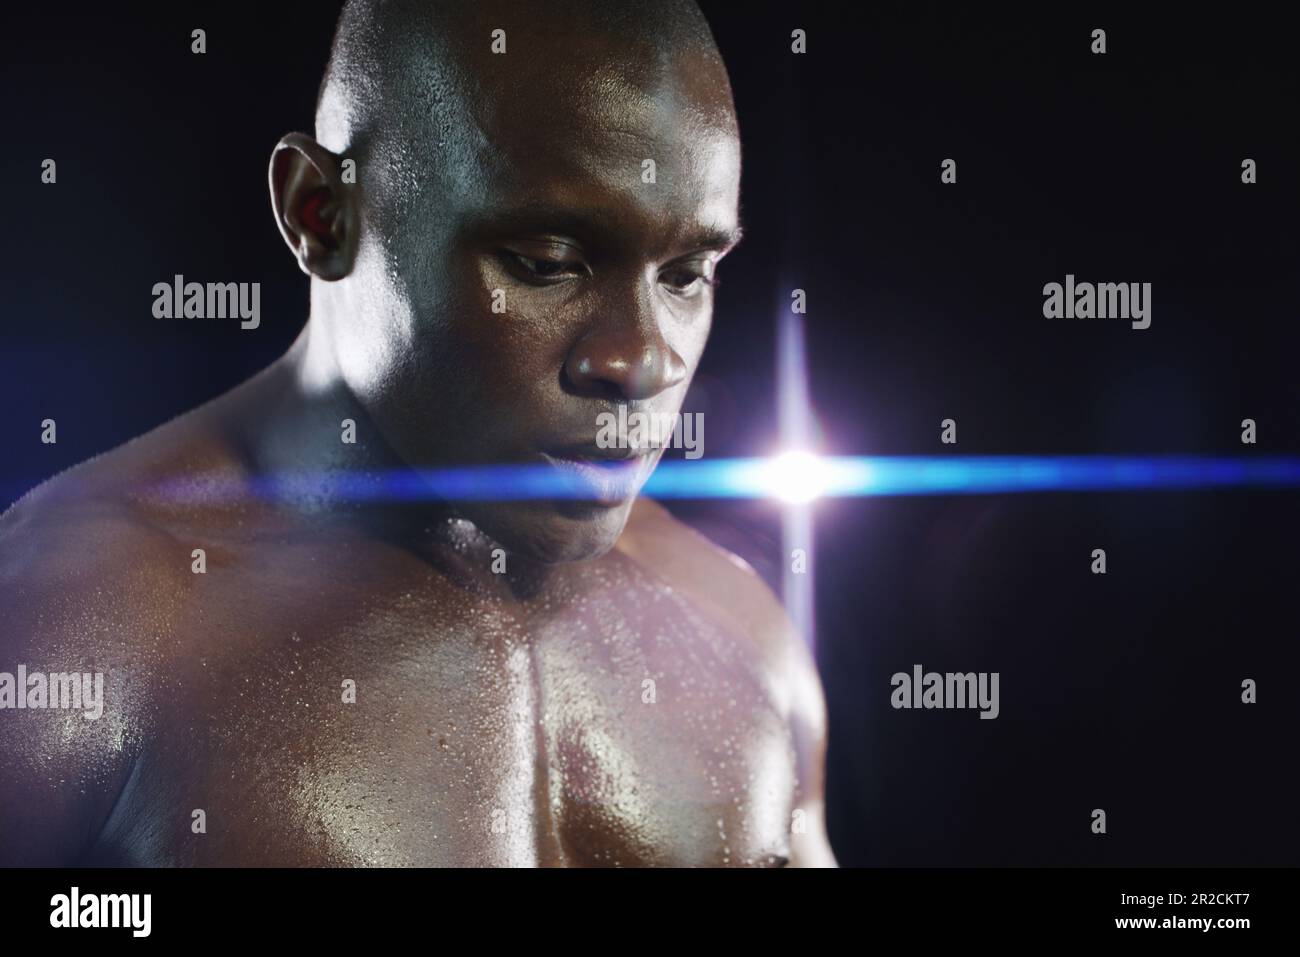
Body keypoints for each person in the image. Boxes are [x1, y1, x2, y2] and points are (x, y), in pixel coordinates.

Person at [0, 0, 835, 867]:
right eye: (546, 263)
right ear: (321, 213)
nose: (641, 361)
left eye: (687, 274)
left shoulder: (741, 637)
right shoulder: (71, 641)